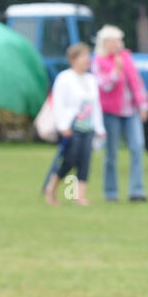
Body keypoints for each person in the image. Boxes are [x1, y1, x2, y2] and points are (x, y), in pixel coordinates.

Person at [92, 25, 148, 202]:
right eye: (114, 41)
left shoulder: (127, 58)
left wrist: (143, 105)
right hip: (110, 113)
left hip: (130, 111)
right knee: (111, 153)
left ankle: (136, 191)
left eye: (119, 40)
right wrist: (115, 71)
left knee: (137, 147)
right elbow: (104, 86)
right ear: (105, 43)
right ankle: (111, 193)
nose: (118, 44)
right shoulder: (99, 62)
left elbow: (137, 83)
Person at [42, 42, 104, 206]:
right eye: (83, 56)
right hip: (72, 127)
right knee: (69, 159)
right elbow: (58, 104)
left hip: (88, 128)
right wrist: (63, 126)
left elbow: (95, 106)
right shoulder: (64, 78)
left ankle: (80, 196)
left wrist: (99, 128)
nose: (87, 60)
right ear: (73, 59)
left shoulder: (91, 79)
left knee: (85, 160)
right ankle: (51, 188)